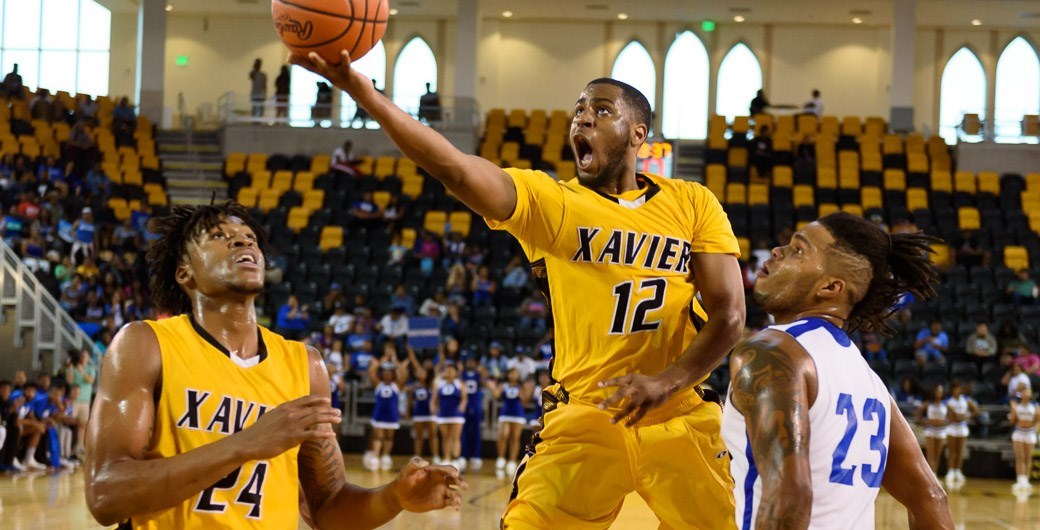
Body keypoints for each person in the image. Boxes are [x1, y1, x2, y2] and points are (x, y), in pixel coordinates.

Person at [295, 51, 746, 528]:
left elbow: (730, 315)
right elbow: (456, 168)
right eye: (579, 109)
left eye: (602, 109)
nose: (584, 117)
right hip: (586, 416)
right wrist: (365, 94)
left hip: (680, 413)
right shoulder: (552, 203)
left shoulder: (692, 202)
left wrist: (665, 382)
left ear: (639, 134)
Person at [84, 202, 466, 529]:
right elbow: (106, 493)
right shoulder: (145, 344)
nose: (242, 240)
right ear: (185, 273)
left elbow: (328, 509)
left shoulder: (305, 364)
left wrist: (394, 497)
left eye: (249, 237)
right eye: (218, 236)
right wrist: (245, 445)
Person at [721, 212, 953, 528]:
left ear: (830, 287)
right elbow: (930, 497)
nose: (778, 251)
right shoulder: (870, 381)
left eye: (798, 250)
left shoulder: (773, 352)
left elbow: (791, 496)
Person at [364, 357, 410, 471]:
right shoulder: (378, 384)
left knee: (389, 437)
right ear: (382, 374)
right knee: (378, 436)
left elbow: (405, 374)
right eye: (385, 373)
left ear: (393, 375)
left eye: (390, 373)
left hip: (391, 416)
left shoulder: (397, 385)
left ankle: (385, 456)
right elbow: (371, 372)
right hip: (379, 415)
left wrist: (396, 361)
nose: (387, 375)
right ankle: (375, 456)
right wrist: (380, 362)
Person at [491, 368, 528, 477]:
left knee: (515, 437)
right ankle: (501, 458)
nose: (512, 375)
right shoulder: (504, 385)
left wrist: (522, 392)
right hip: (505, 413)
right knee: (503, 435)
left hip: (518, 414)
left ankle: (512, 461)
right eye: (511, 373)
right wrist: (493, 388)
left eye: (515, 373)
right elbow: (497, 396)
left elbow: (525, 400)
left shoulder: (521, 386)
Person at [431, 361, 467, 468]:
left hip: (456, 415)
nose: (449, 371)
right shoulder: (439, 384)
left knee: (455, 438)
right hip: (443, 415)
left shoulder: (459, 383)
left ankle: (455, 458)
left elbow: (464, 398)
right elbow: (434, 399)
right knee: (445, 438)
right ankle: (447, 458)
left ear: (456, 372)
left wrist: (462, 406)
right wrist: (434, 408)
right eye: (447, 369)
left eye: (452, 369)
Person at [944, 380, 978, 488]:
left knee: (960, 451)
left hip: (962, 428)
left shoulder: (966, 400)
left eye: (959, 388)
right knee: (951, 451)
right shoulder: (948, 401)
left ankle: (958, 471)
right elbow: (946, 415)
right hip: (951, 428)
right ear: (952, 390)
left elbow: (976, 411)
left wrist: (968, 416)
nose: (958, 390)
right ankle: (950, 471)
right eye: (956, 388)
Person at [407, 357, 439, 463]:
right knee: (419, 436)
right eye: (418, 372)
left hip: (430, 414)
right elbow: (410, 401)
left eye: (422, 372)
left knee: (432, 435)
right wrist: (408, 413)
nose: (420, 374)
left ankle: (435, 456)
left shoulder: (431, 384)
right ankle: (417, 456)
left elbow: (436, 398)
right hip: (418, 414)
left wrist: (436, 409)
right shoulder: (413, 386)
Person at [460, 353, 486, 471]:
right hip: (465, 404)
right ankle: (463, 455)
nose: (470, 363)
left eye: (472, 361)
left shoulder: (478, 374)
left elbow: (486, 379)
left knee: (476, 431)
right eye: (468, 361)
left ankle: (476, 455)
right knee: (464, 431)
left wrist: (482, 368)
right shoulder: (461, 375)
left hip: (476, 404)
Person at [915, 384, 948, 475]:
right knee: (930, 455)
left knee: (937, 455)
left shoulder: (946, 404)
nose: (939, 393)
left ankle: (935, 474)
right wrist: (922, 421)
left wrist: (945, 422)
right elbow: (917, 412)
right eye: (937, 391)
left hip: (941, 431)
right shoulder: (928, 403)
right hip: (930, 431)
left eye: (940, 392)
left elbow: (951, 418)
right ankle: (930, 474)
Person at [1009, 383, 1037, 493]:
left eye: (1028, 391)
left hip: (1030, 433)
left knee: (1028, 458)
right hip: (1019, 433)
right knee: (1019, 457)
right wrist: (1014, 412)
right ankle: (1020, 480)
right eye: (1025, 391)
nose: (1027, 393)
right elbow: (1012, 421)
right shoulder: (1016, 406)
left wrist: (1037, 431)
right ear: (1021, 394)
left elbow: (1037, 421)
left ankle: (1026, 480)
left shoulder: (1035, 406)